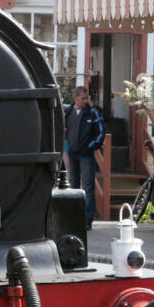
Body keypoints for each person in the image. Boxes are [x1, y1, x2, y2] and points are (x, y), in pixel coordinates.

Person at [65, 86, 105, 230]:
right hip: (71, 154)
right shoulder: (67, 112)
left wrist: (91, 146)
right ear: (75, 98)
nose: (85, 100)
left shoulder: (93, 113)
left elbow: (101, 132)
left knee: (88, 187)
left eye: (86, 98)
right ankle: (72, 219)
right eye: (83, 98)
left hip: (86, 154)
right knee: (73, 187)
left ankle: (87, 220)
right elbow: (61, 131)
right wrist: (65, 148)